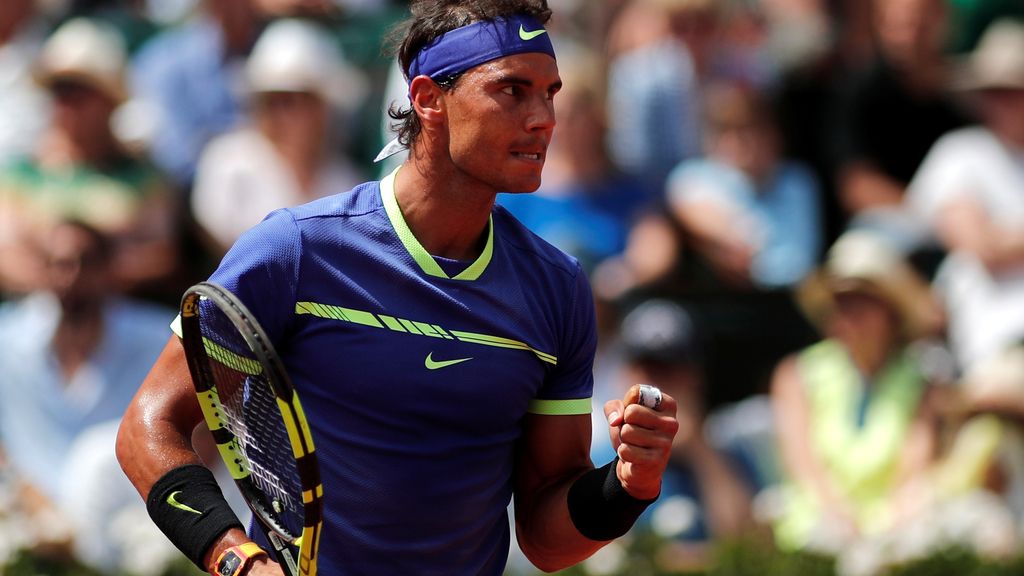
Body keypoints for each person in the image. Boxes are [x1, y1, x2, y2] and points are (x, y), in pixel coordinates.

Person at [116, 2, 679, 575]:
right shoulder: (295, 250)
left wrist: (626, 485)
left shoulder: (557, 288)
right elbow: (146, 428)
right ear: (429, 99)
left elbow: (545, 539)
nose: (544, 118)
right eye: (512, 91)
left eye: (550, 93)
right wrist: (235, 558)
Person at [0, 219, 178, 571]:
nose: (72, 276)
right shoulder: (6, 341)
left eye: (85, 262)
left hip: (129, 532)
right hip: (24, 525)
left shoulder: (158, 341)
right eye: (59, 263)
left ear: (108, 269)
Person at [766, 230, 943, 553]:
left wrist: (889, 530)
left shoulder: (921, 381)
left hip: (896, 525)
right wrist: (838, 516)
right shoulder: (796, 375)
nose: (847, 312)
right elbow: (804, 468)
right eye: (840, 301)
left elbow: (914, 471)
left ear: (889, 310)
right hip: (818, 526)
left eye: (861, 300)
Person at [0, 17, 180, 300]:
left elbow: (161, 256)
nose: (65, 103)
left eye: (78, 90)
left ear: (109, 99)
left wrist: (93, 280)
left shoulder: (144, 178)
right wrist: (60, 284)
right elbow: (5, 257)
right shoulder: (19, 174)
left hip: (119, 319)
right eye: (58, 89)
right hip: (32, 320)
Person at [593, 299, 754, 571]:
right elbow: (601, 555)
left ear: (695, 375)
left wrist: (700, 451)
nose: (653, 386)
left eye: (667, 368)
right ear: (625, 373)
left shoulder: (728, 450)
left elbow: (749, 547)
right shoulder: (600, 458)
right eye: (644, 367)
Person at [905, 18, 1024, 374]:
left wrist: (1008, 236)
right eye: (995, 92)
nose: (1004, 102)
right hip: (996, 346)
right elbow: (982, 247)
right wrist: (998, 241)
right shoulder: (959, 153)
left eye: (1015, 91)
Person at [191, 17, 368, 256]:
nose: (282, 113)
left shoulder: (343, 177)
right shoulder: (226, 161)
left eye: (295, 100)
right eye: (271, 101)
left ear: (324, 108)